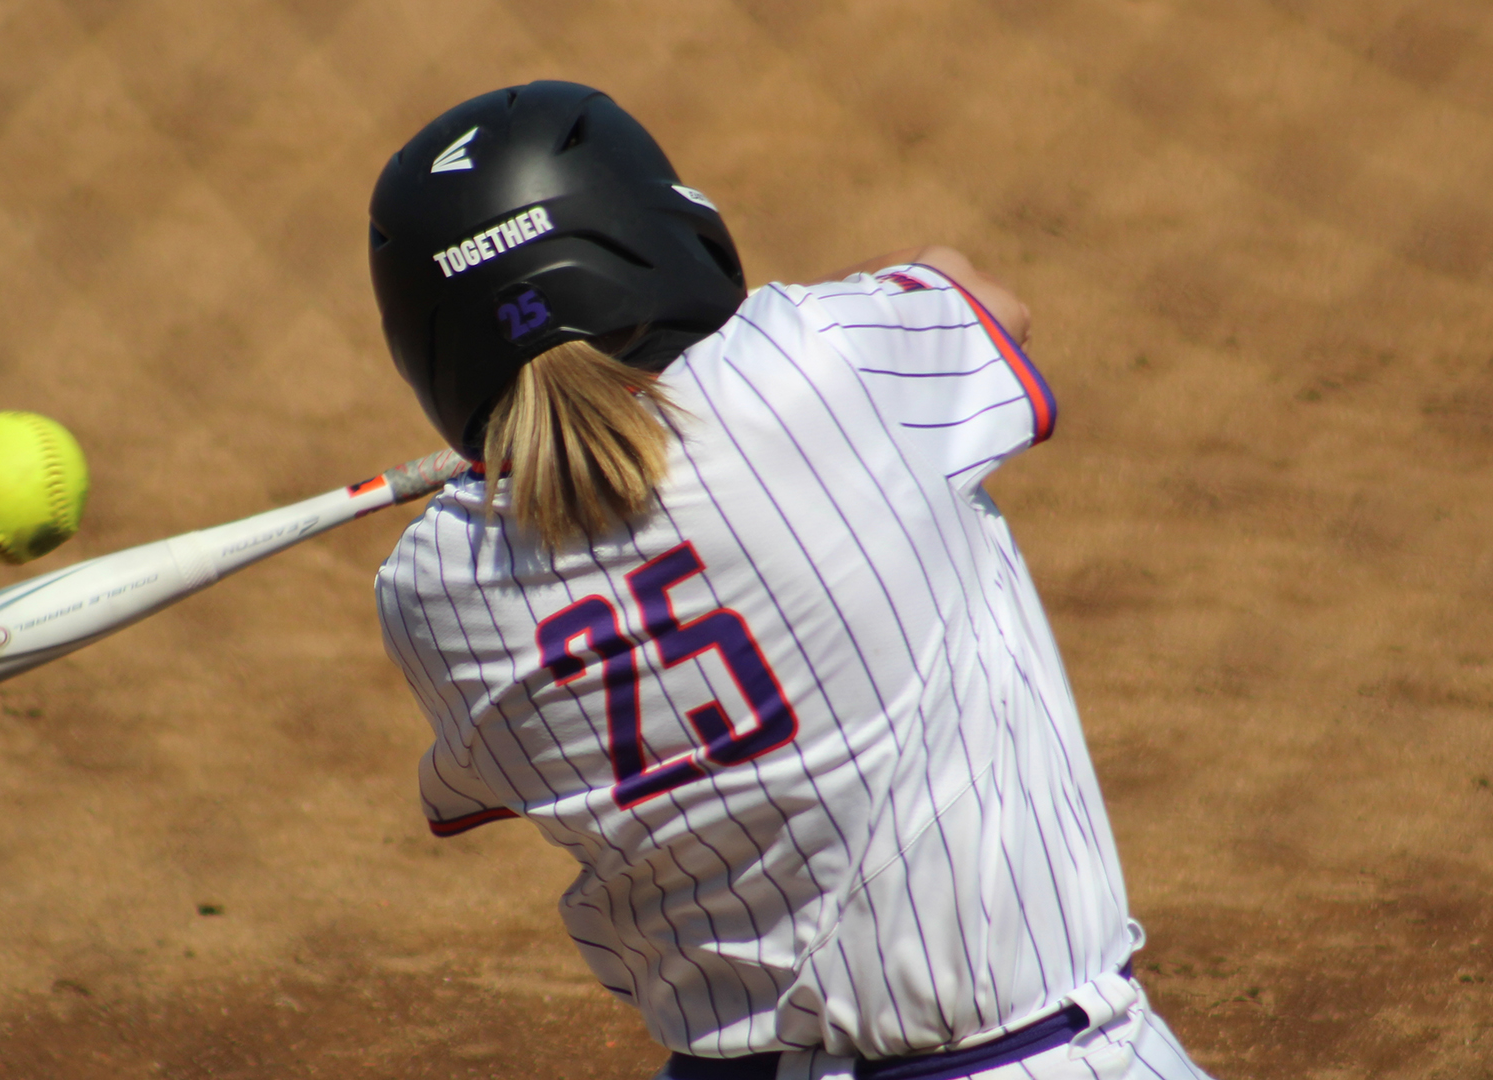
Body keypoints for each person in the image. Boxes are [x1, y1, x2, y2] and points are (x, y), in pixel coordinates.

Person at [368, 81, 1214, 1080]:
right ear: (653, 227)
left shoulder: (432, 592)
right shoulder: (818, 366)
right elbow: (989, 303)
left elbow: (476, 788)